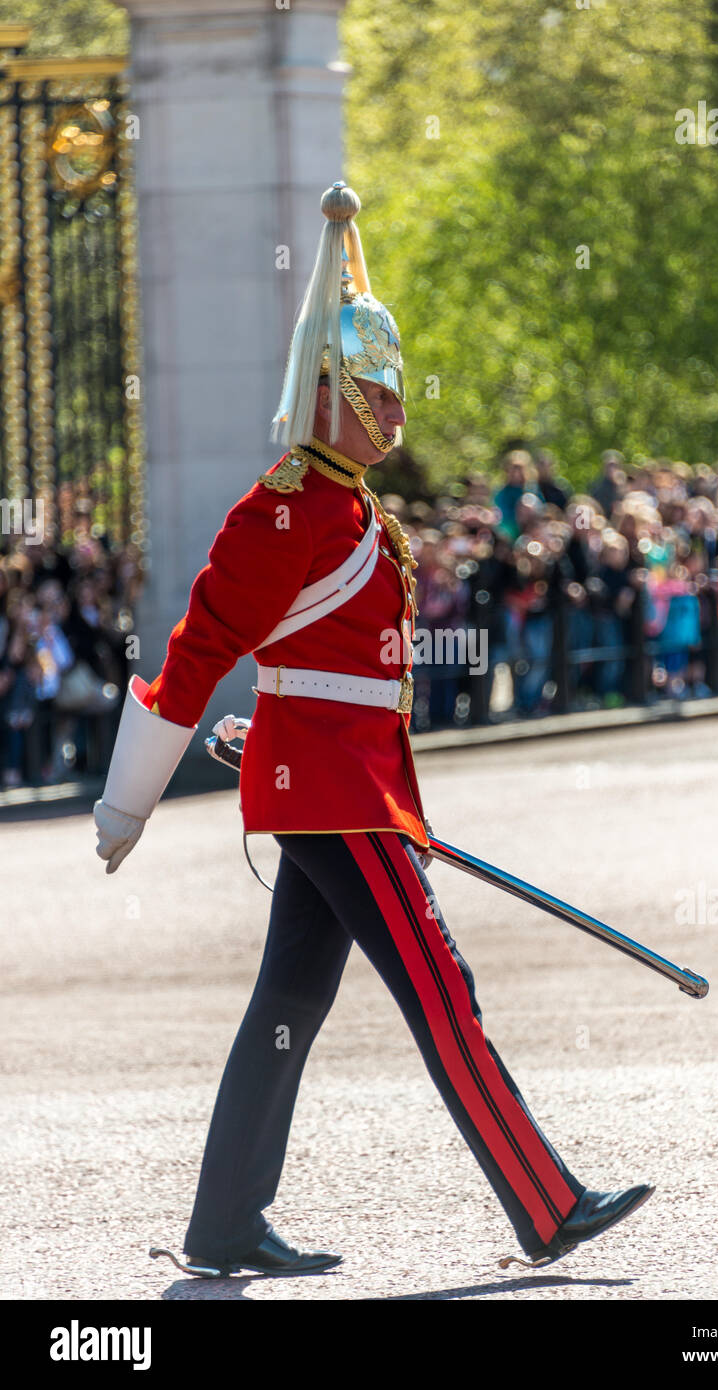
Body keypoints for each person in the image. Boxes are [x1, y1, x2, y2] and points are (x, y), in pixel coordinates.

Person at [93, 182, 653, 1277]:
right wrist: (128, 800)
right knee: (444, 991)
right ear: (324, 393)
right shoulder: (288, 508)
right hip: (338, 797)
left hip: (347, 786)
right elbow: (203, 645)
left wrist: (284, 743)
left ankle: (221, 1224)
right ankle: (543, 1203)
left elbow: (326, 674)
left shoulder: (353, 510)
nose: (396, 410)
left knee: (290, 1004)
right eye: (373, 391)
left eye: (394, 389)